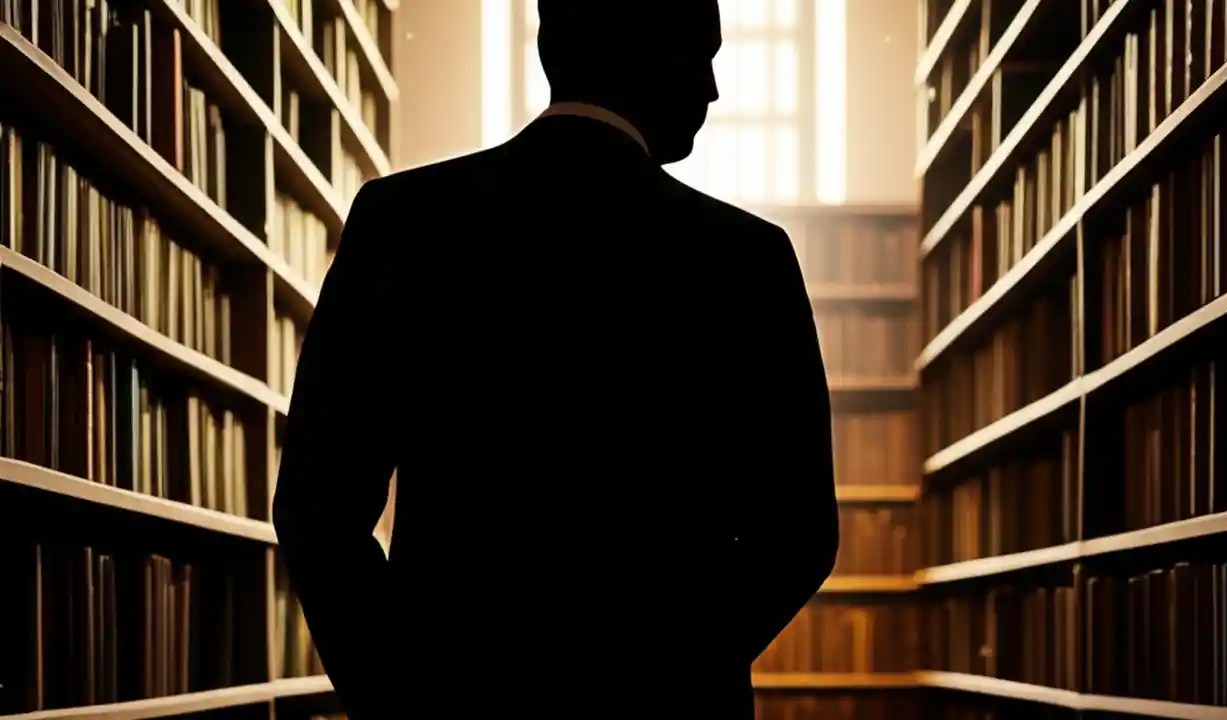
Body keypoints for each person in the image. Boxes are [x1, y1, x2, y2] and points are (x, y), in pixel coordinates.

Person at [272, 1, 838, 717]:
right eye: (705, 58)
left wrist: (398, 695)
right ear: (656, 63)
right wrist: (667, 674)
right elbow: (799, 535)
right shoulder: (746, 258)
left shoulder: (402, 223)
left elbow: (317, 508)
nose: (713, 91)